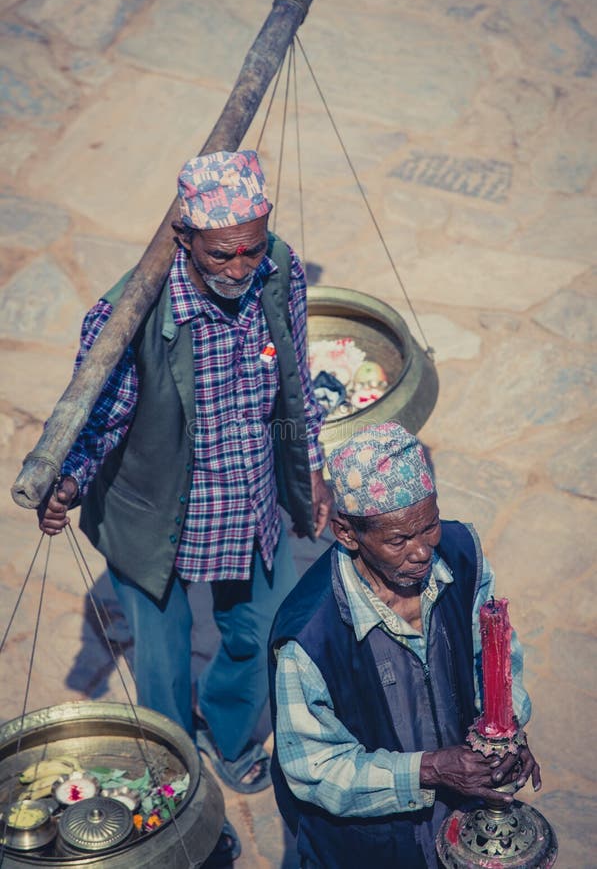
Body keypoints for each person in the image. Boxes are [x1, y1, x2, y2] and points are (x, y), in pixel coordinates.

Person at [39, 149, 333, 865]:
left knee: (258, 632)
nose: (239, 267)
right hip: (158, 516)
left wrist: (311, 465)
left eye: (251, 249)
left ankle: (230, 736)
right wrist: (70, 479)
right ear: (184, 239)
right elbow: (100, 416)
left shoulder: (279, 272)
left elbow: (293, 379)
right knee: (162, 661)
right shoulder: (131, 312)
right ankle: (177, 759)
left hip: (251, 502)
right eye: (222, 253)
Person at [269, 421, 541, 869]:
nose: (421, 552)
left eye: (428, 526)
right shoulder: (309, 636)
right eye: (398, 539)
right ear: (347, 533)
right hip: (372, 847)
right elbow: (314, 769)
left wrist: (506, 730)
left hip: (462, 817)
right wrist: (429, 770)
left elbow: (495, 654)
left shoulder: (462, 553)